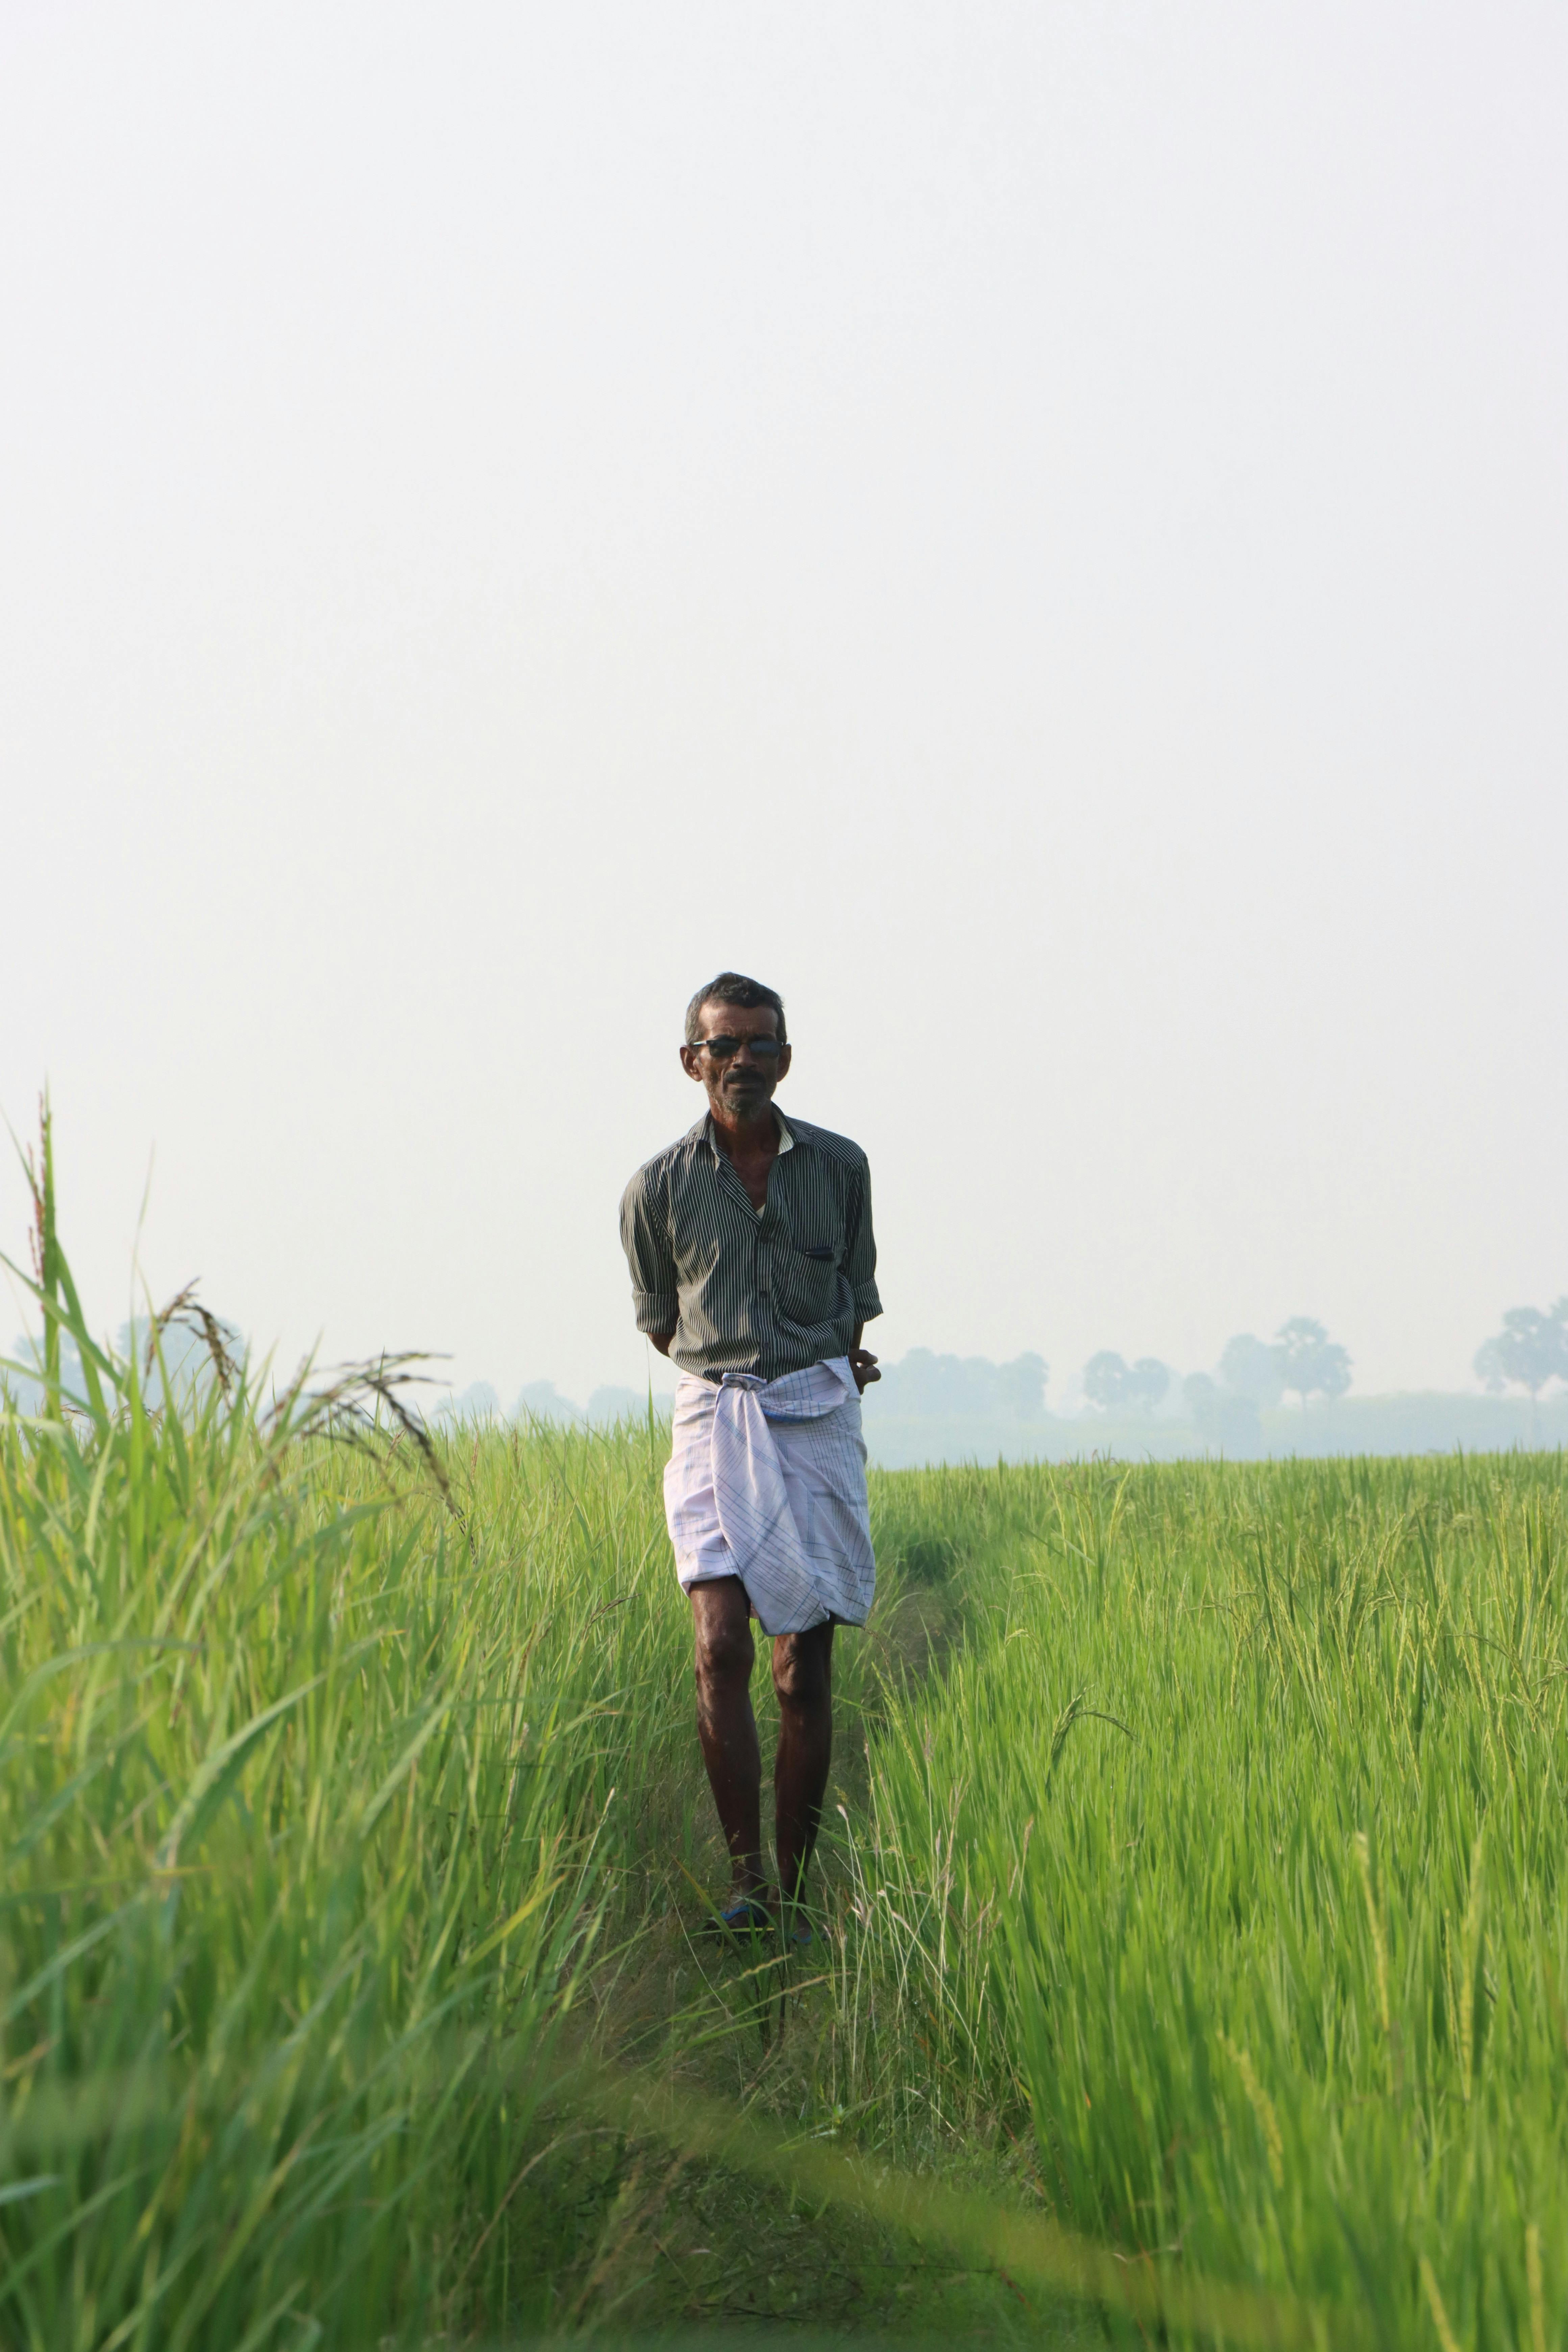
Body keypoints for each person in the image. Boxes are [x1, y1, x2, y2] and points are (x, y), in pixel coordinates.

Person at [619, 972, 882, 1944]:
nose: (741, 1063)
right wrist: (739, 1373)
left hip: (813, 1415)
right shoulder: (658, 1188)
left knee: (800, 1672)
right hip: (713, 1415)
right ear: (692, 1062)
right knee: (720, 1643)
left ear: (786, 1057)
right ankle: (745, 1882)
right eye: (722, 1047)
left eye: (759, 1044)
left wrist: (829, 1354)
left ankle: (799, 1887)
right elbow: (661, 1322)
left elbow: (854, 1295)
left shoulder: (840, 1168)